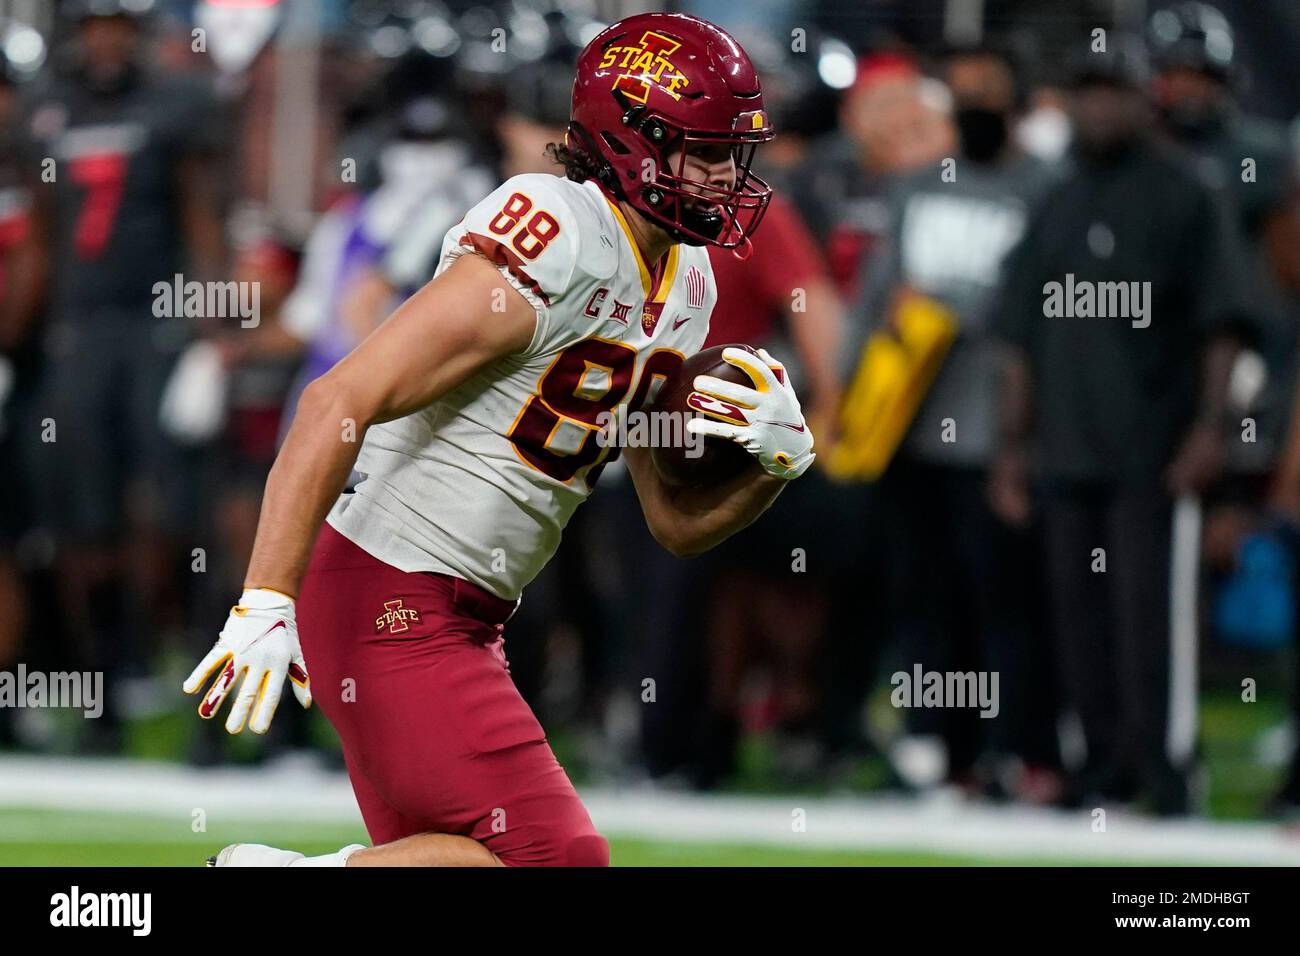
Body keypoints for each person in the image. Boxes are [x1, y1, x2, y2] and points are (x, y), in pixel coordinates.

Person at [186, 12, 816, 867]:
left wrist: (773, 467)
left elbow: (671, 523)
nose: (722, 178)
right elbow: (338, 396)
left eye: (731, 155)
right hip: (392, 589)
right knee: (559, 861)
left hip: (467, 612)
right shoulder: (556, 230)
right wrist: (266, 596)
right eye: (701, 152)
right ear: (632, 140)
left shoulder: (688, 278)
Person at [989, 37, 1247, 816]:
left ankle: (1166, 771)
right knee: (1077, 617)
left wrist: (1211, 429)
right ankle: (1101, 763)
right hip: (1065, 449)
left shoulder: (1185, 192)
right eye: (1085, 92)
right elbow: (1019, 342)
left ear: (1143, 100)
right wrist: (1011, 450)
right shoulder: (1056, 200)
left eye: (1112, 92)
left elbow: (1223, 324)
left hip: (1153, 449)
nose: (1097, 107)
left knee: (1151, 619)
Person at [22, 0, 223, 751]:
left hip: (158, 325)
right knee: (83, 520)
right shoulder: (49, 108)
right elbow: (42, 236)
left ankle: (171, 666)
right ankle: (103, 688)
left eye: (118, 23)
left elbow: (200, 216)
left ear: (137, 32)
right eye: (94, 23)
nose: (105, 38)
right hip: (78, 332)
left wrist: (213, 336)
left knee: (173, 512)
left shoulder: (176, 103)